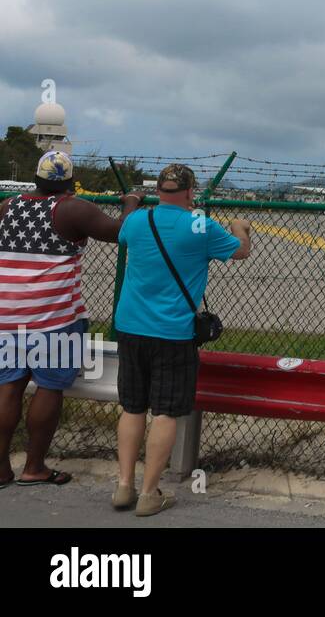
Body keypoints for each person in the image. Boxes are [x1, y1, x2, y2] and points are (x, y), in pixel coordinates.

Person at [112, 163, 252, 516]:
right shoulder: (200, 226)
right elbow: (240, 251)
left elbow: (124, 232)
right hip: (173, 333)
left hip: (130, 326)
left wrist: (131, 202)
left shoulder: (137, 221)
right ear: (190, 193)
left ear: (158, 191)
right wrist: (240, 228)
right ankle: (149, 493)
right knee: (166, 411)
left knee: (132, 407)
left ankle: (124, 486)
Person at [0, 151, 141, 489]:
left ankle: (2, 469)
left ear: (35, 177)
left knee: (7, 388)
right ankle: (34, 467)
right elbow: (120, 232)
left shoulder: (7, 207)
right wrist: (131, 202)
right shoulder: (72, 208)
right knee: (49, 388)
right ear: (68, 181)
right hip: (54, 318)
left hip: (6, 315)